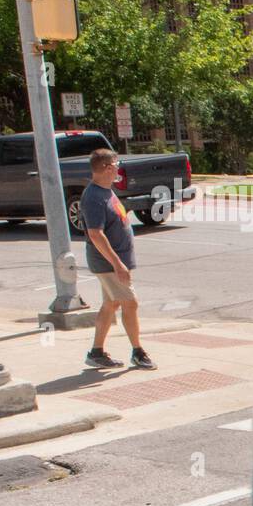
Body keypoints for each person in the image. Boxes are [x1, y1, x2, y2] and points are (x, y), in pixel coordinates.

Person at [82, 148, 156, 371]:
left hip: (115, 262)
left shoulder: (106, 191)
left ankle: (96, 352)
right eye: (116, 164)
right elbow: (95, 234)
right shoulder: (94, 197)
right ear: (106, 168)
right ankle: (138, 351)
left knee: (111, 304)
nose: (118, 167)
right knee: (130, 303)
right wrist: (117, 264)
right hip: (108, 264)